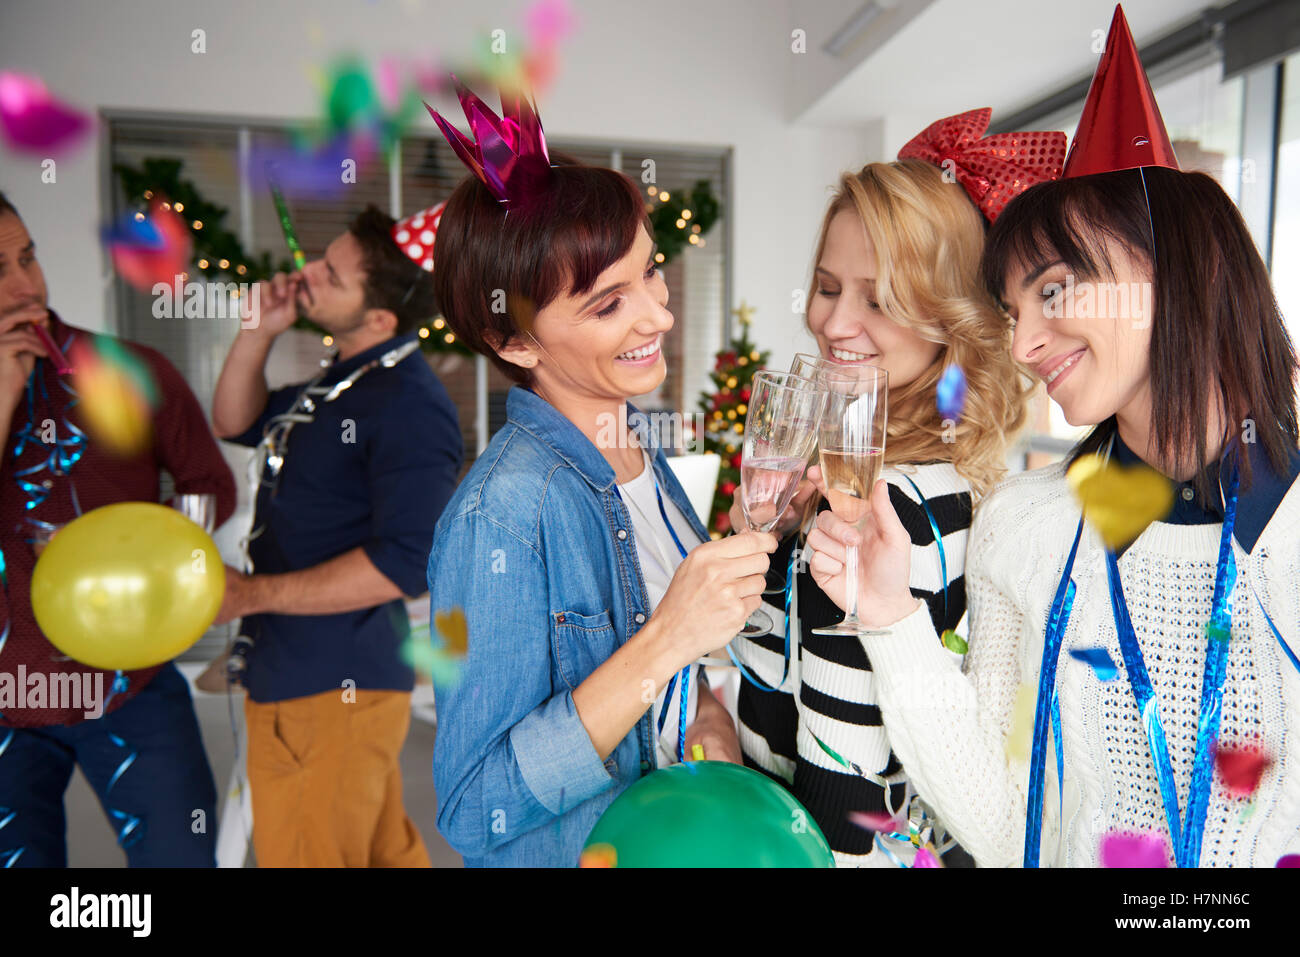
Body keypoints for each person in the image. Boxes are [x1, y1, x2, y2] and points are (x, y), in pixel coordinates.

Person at [803, 7, 1300, 867]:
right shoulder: (1032, 530)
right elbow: (1005, 825)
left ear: (1186, 267)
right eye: (1011, 311)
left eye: (1056, 291)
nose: (1026, 343)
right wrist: (889, 619)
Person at [424, 82, 776, 867]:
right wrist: (666, 639)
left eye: (650, 274)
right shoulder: (503, 514)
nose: (658, 315)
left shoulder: (641, 456)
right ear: (515, 343)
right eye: (607, 304)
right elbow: (475, 807)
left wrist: (708, 719)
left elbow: (676, 675)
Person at [728, 111, 1059, 866]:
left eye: (879, 300)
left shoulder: (890, 504)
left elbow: (852, 795)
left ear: (947, 319)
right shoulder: (899, 476)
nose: (835, 321)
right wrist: (756, 535)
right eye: (825, 286)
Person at [211, 204, 463, 867]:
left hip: (324, 688)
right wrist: (257, 332)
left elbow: (407, 564)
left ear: (380, 319)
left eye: (331, 272)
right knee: (385, 854)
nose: (307, 271)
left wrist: (250, 595)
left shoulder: (408, 404)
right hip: (320, 681)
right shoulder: (341, 381)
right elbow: (236, 421)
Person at [0, 190, 237, 867]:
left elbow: (209, 485)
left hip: (130, 683)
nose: (25, 285)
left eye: (28, 257)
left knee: (184, 855)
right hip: (6, 694)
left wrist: (157, 558)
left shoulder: (131, 370)